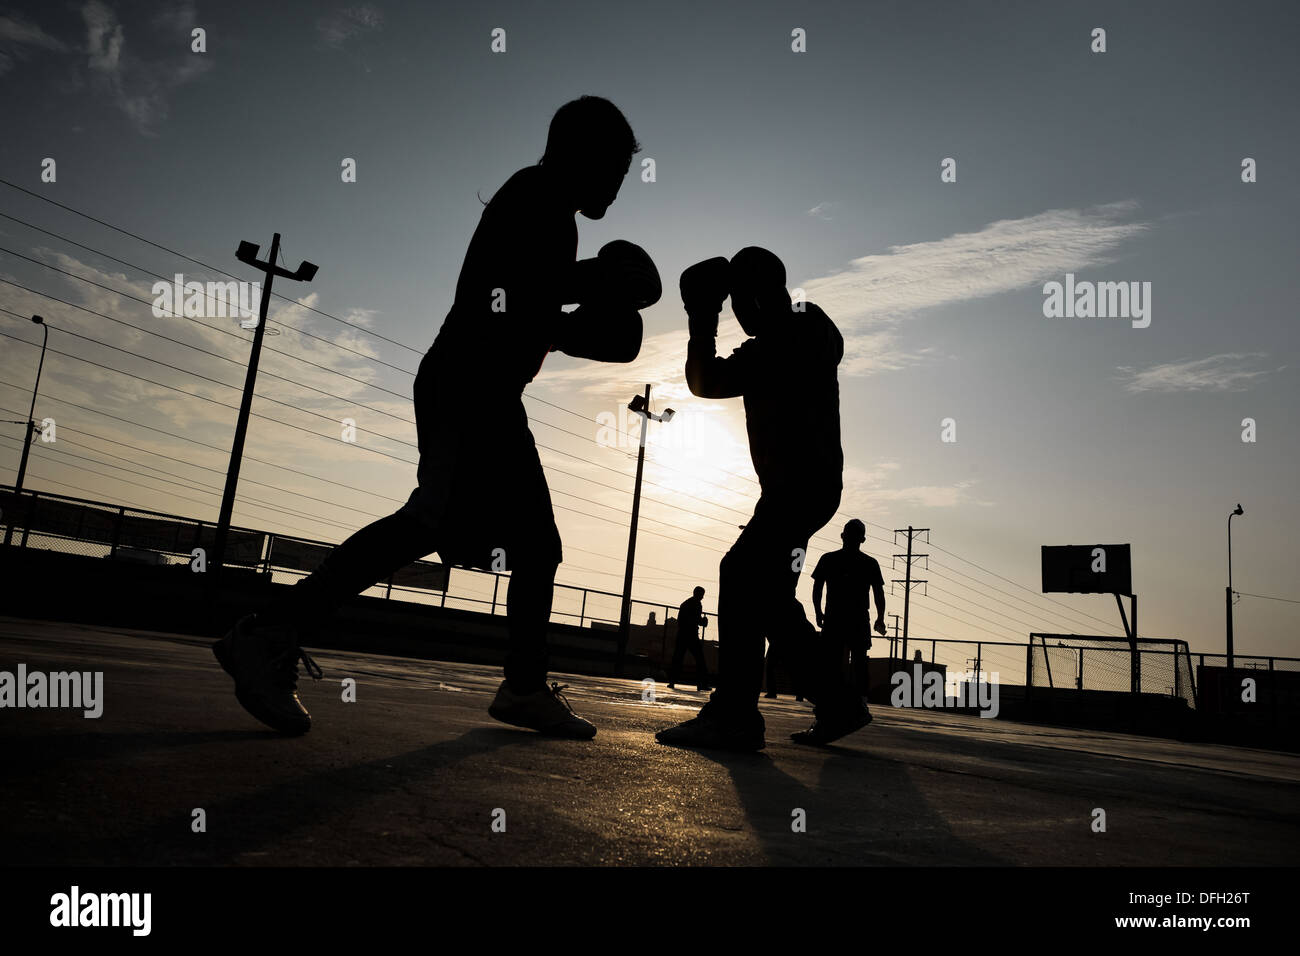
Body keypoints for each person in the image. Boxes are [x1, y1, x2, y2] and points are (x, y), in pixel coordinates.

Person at [213, 96, 658, 739]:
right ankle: (270, 632)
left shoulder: (548, 211)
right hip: (470, 385)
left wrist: (582, 305)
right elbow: (500, 301)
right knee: (462, 527)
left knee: (514, 539)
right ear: (580, 155)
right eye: (614, 168)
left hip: (484, 389)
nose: (619, 185)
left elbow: (528, 298)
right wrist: (589, 299)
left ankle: (522, 686)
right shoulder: (538, 201)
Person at [656, 248, 871, 751]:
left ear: (754, 299)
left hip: (796, 492)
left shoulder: (779, 342)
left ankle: (733, 714)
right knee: (770, 600)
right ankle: (837, 701)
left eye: (737, 304)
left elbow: (704, 381)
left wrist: (700, 319)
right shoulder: (806, 329)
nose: (738, 316)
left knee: (737, 576)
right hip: (809, 490)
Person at [812, 519, 886, 701]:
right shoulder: (869, 563)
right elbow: (878, 593)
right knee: (858, 661)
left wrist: (818, 611)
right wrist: (880, 618)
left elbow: (817, 588)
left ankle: (833, 697)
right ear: (863, 539)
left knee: (833, 661)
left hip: (836, 617)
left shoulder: (829, 559)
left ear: (842, 536)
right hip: (856, 618)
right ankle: (859, 699)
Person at [667, 586, 712, 691]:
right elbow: (696, 620)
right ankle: (702, 684)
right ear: (699, 594)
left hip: (682, 635)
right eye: (702, 595)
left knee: (678, 658)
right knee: (700, 660)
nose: (702, 597)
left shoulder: (685, 604)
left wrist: (699, 621)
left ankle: (672, 681)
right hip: (691, 636)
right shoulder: (696, 604)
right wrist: (703, 621)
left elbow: (682, 620)